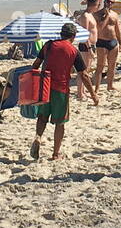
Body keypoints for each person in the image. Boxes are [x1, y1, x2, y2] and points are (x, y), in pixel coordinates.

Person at [29, 21, 98, 161]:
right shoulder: (73, 51)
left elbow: (35, 65)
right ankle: (55, 154)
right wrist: (93, 94)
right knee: (60, 122)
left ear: (61, 34)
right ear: (73, 36)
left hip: (44, 87)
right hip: (60, 89)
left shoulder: (48, 45)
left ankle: (38, 137)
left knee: (42, 117)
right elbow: (83, 75)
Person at [91, 6, 121, 92]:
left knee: (112, 66)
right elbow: (99, 28)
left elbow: (117, 29)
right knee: (100, 66)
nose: (109, 4)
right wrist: (107, 16)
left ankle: (110, 85)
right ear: (105, 2)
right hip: (102, 41)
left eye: (112, 2)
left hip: (113, 41)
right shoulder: (97, 14)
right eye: (108, 1)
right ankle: (97, 88)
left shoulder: (115, 15)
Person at [74, 0, 100, 79]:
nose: (98, 7)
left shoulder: (90, 14)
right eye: (97, 5)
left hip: (91, 44)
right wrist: (89, 49)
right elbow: (85, 33)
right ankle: (80, 92)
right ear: (93, 5)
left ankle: (83, 91)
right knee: (83, 70)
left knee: (87, 69)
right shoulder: (85, 16)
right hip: (86, 45)